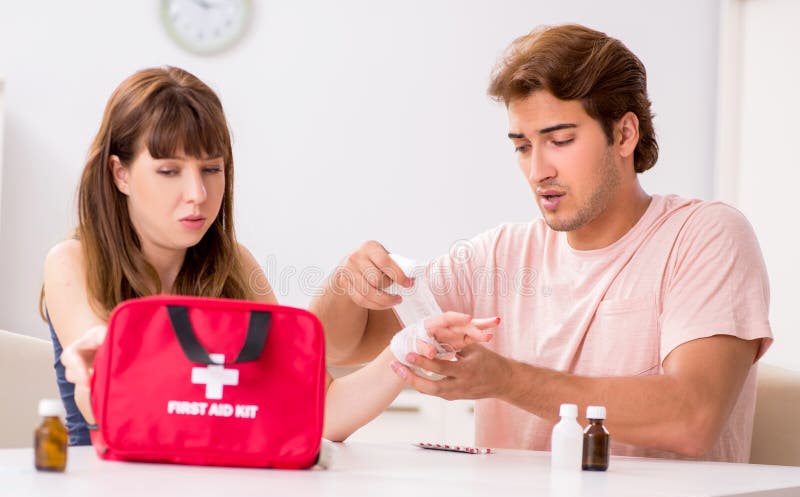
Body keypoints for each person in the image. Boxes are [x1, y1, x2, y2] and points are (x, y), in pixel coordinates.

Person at [310, 24, 773, 462]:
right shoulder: (498, 256)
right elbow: (336, 346)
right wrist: (348, 283)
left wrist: (506, 379)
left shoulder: (704, 237)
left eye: (560, 140)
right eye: (522, 147)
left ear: (624, 134)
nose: (538, 171)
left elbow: (692, 416)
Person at [42, 66, 496, 447]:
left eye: (211, 169)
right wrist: (101, 359)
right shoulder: (72, 262)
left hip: (215, 489)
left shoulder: (234, 265)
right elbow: (105, 399)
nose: (197, 193)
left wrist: (408, 345)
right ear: (119, 173)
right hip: (109, 491)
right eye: (169, 171)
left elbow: (316, 411)